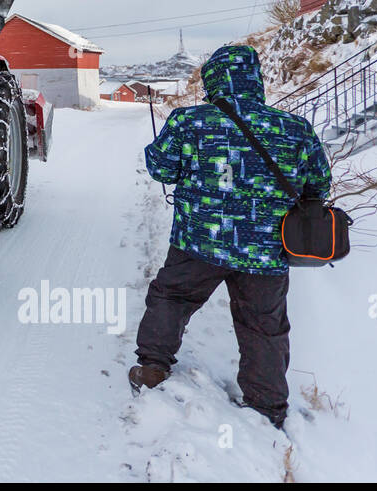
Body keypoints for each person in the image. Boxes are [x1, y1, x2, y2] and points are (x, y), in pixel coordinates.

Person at [131, 44, 331, 428]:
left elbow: (160, 168)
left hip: (198, 242)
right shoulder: (295, 128)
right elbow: (318, 186)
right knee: (264, 325)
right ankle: (268, 407)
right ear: (256, 78)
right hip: (266, 251)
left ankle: (153, 368)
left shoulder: (189, 121)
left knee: (172, 297)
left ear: (213, 79)